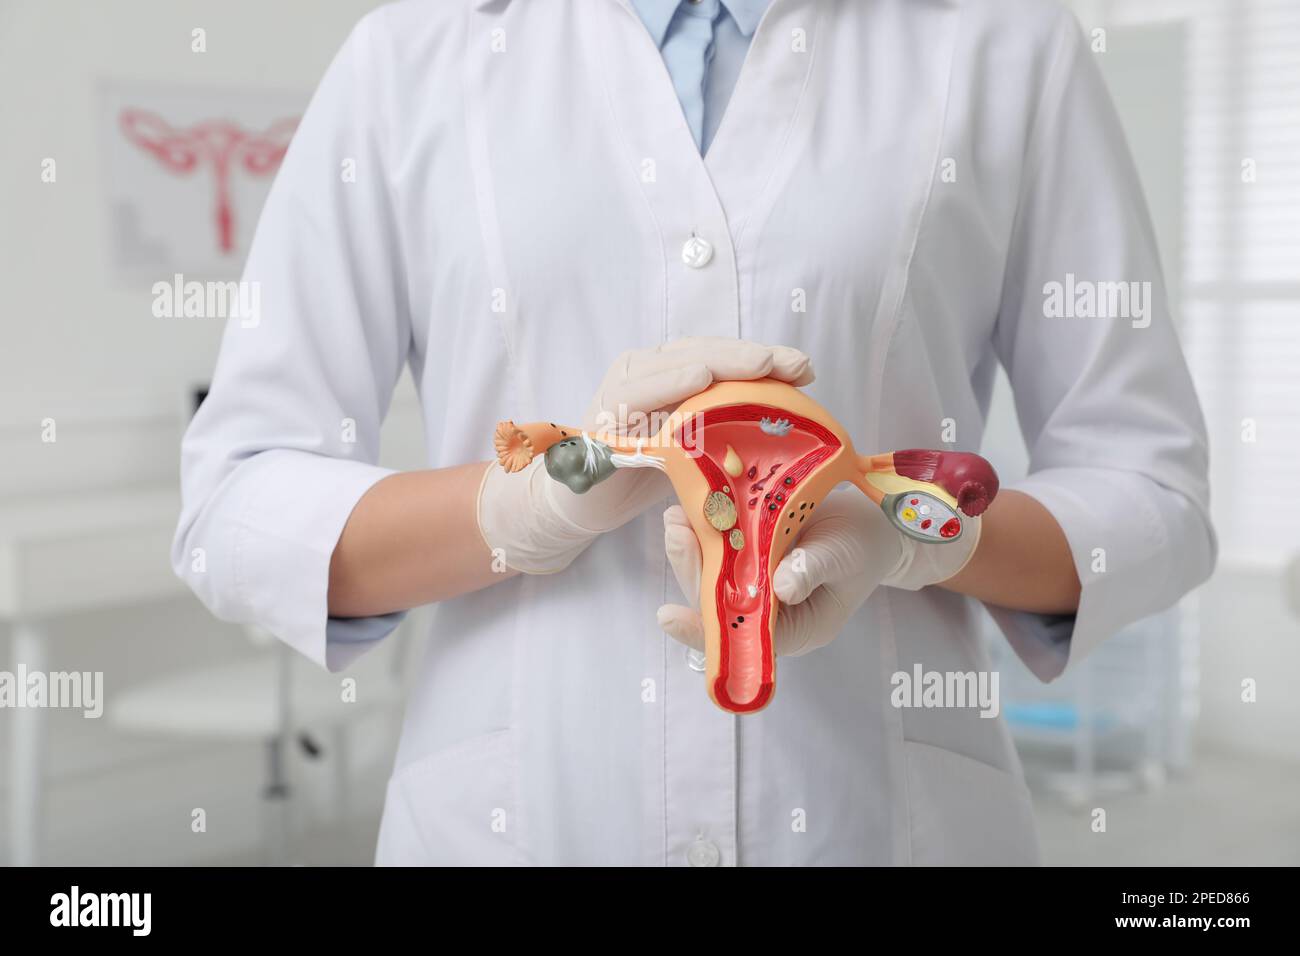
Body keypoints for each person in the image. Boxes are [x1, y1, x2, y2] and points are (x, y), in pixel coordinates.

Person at [174, 0, 1215, 865]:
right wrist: (521, 507)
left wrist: (906, 535)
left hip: (880, 820)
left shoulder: (998, 40)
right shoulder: (416, 52)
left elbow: (1149, 492)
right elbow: (237, 502)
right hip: (520, 821)